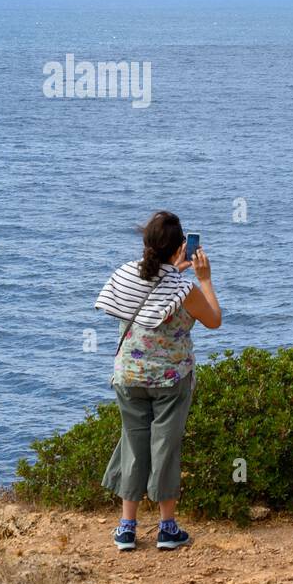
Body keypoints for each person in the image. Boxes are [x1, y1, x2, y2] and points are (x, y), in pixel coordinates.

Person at [94, 211, 222, 551]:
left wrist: (175, 274)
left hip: (129, 377)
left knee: (133, 445)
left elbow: (152, 289)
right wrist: (204, 279)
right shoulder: (186, 289)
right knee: (165, 447)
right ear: (181, 247)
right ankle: (167, 528)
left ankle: (126, 528)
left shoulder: (125, 275)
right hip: (170, 381)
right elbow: (214, 320)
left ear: (146, 243)